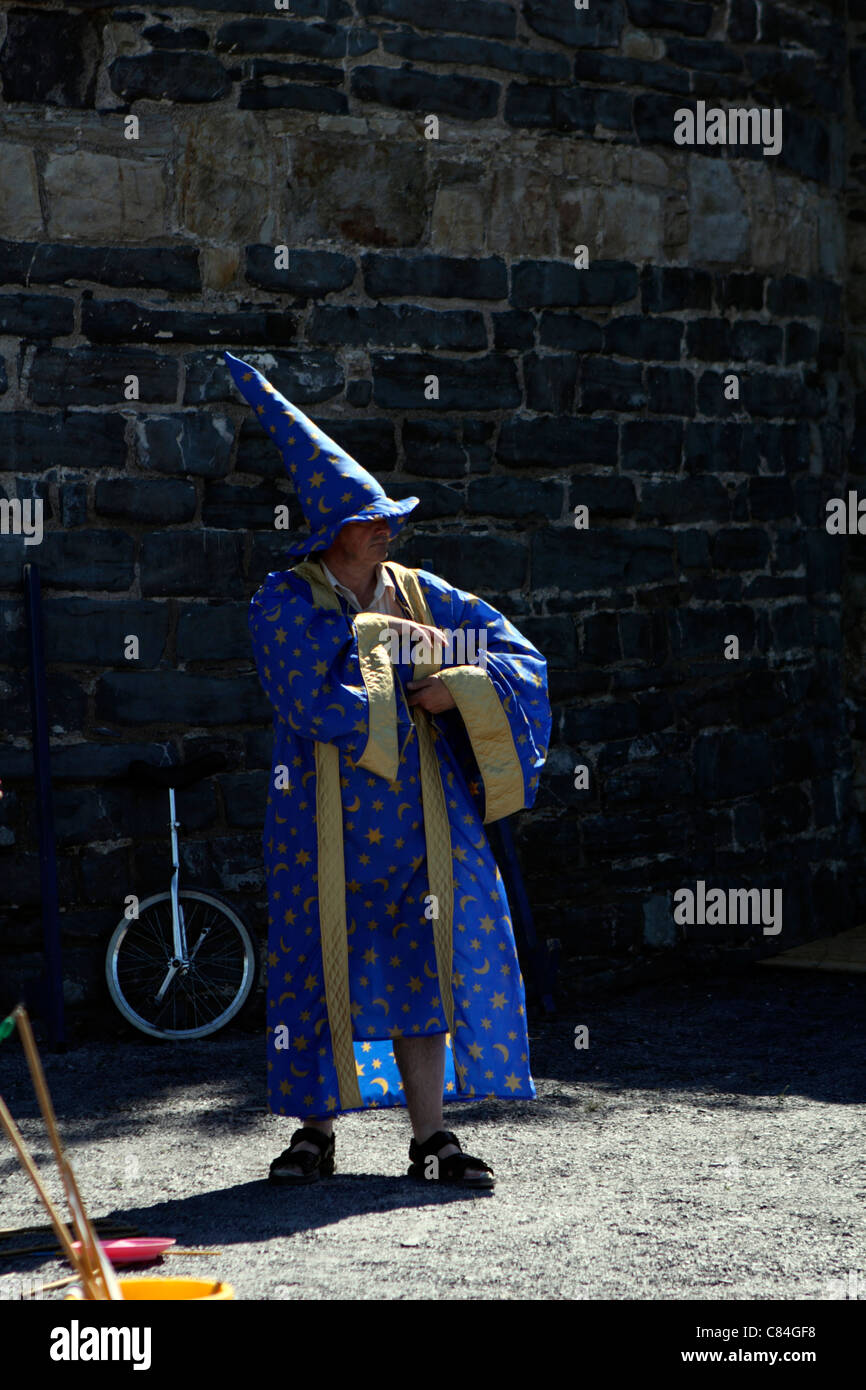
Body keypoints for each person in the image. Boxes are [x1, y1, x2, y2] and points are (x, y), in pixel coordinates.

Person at [225, 350, 551, 1188]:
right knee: (315, 965)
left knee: (428, 962)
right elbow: (312, 695)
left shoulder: (419, 590)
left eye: (387, 516)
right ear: (330, 531)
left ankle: (432, 1139)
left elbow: (511, 652)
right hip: (320, 825)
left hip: (425, 823)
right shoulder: (281, 601)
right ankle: (313, 1135)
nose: (386, 529)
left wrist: (463, 688)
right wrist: (405, 663)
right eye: (369, 518)